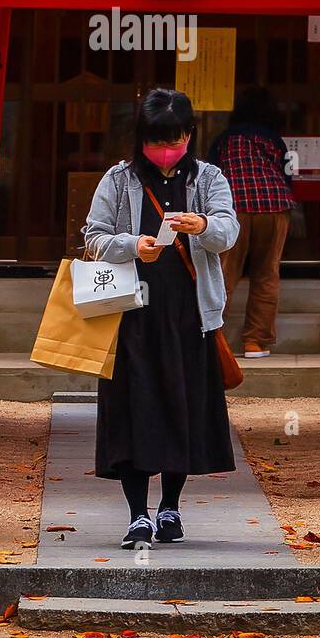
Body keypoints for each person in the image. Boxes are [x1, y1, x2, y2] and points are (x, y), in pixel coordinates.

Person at [82, 88, 240, 548]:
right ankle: (137, 514)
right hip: (133, 316)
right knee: (134, 410)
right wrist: (134, 246)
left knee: (182, 410)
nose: (165, 150)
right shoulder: (119, 179)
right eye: (156, 140)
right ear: (141, 138)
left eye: (174, 139)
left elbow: (229, 230)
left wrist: (205, 227)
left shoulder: (208, 178)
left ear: (189, 135)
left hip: (190, 317)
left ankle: (170, 507)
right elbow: (93, 236)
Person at [208, 85, 295, 359]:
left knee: (225, 272)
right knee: (267, 274)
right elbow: (287, 173)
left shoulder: (225, 139)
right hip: (274, 205)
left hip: (234, 207)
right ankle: (255, 342)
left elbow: (210, 174)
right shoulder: (273, 139)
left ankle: (212, 336)